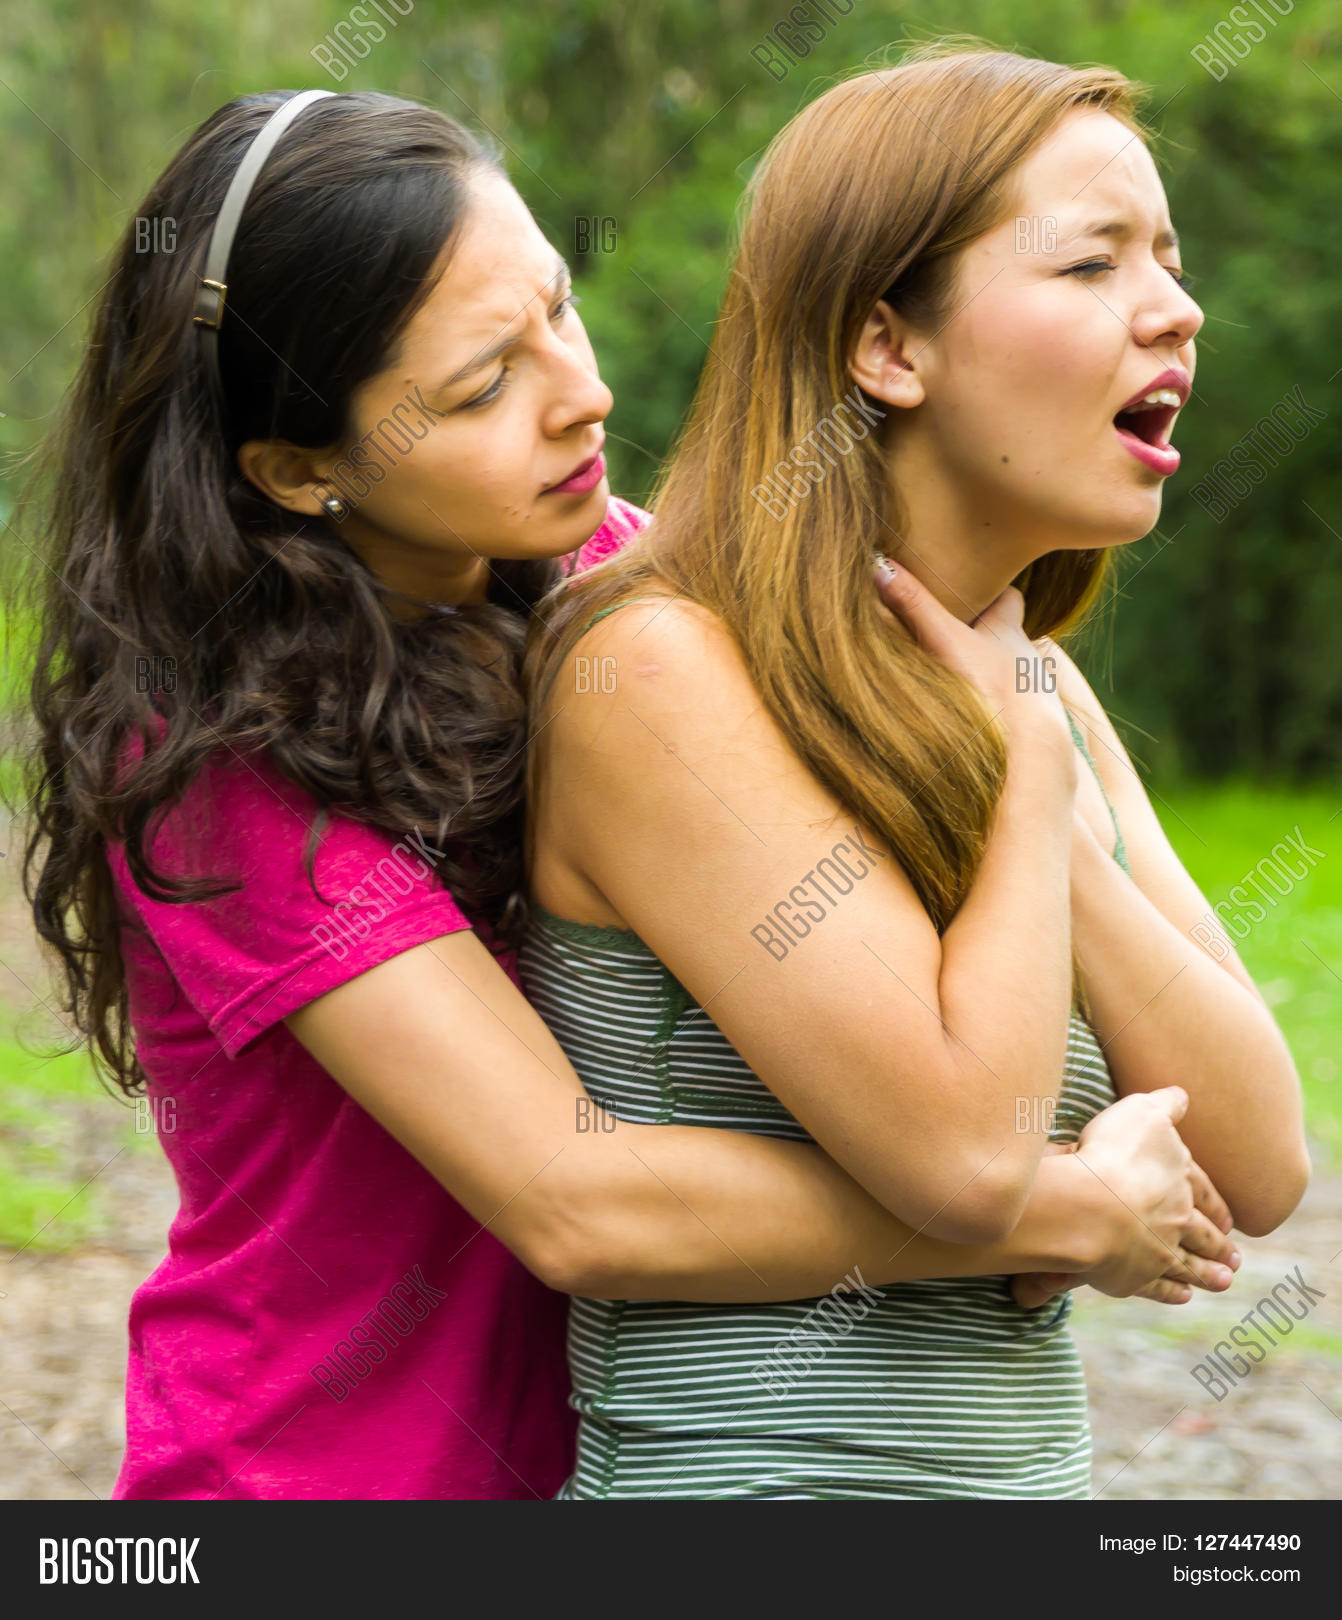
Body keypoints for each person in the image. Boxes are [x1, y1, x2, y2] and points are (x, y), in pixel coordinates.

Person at [522, 44, 1309, 1499]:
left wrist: (1032, 782)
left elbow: (1260, 1158)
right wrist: (1025, 781)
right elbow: (968, 1161)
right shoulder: (663, 672)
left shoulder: (1028, 689)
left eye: (1169, 258)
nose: (1174, 308)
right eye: (1092, 264)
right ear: (887, 348)